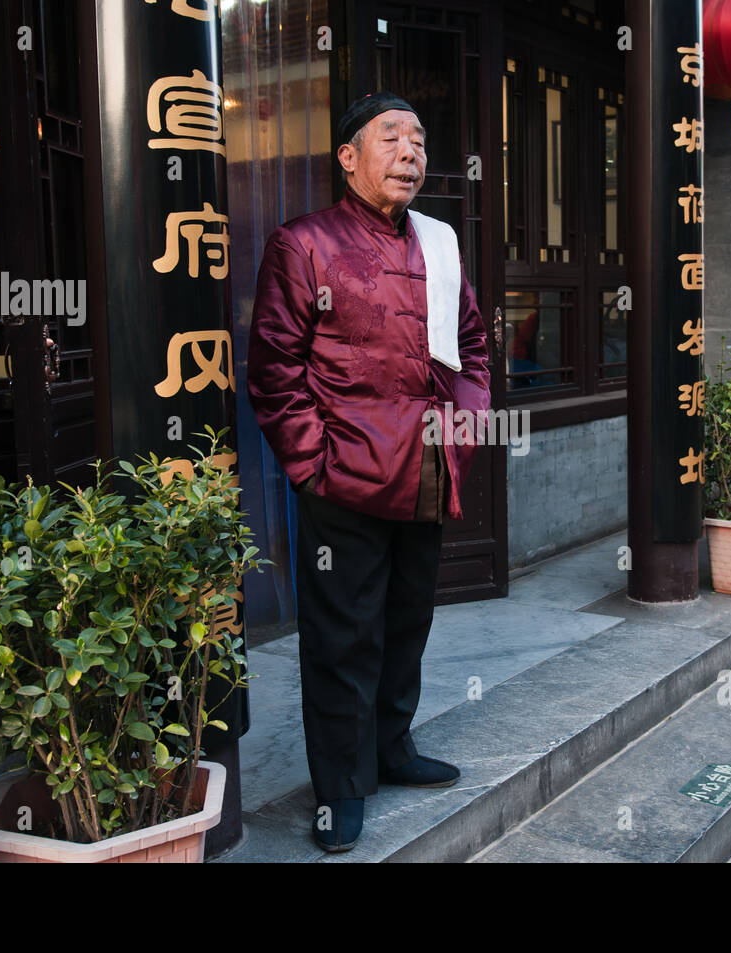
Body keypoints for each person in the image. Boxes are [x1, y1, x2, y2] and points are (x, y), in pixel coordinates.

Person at [247, 92, 491, 852]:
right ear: (348, 157)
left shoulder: (439, 243)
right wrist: (312, 464)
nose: (411, 151)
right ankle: (340, 788)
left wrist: (464, 429)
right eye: (392, 137)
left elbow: (474, 349)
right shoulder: (304, 244)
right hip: (343, 478)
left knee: (406, 621)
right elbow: (273, 370)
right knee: (341, 636)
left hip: (424, 467)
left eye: (419, 139)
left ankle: (391, 746)